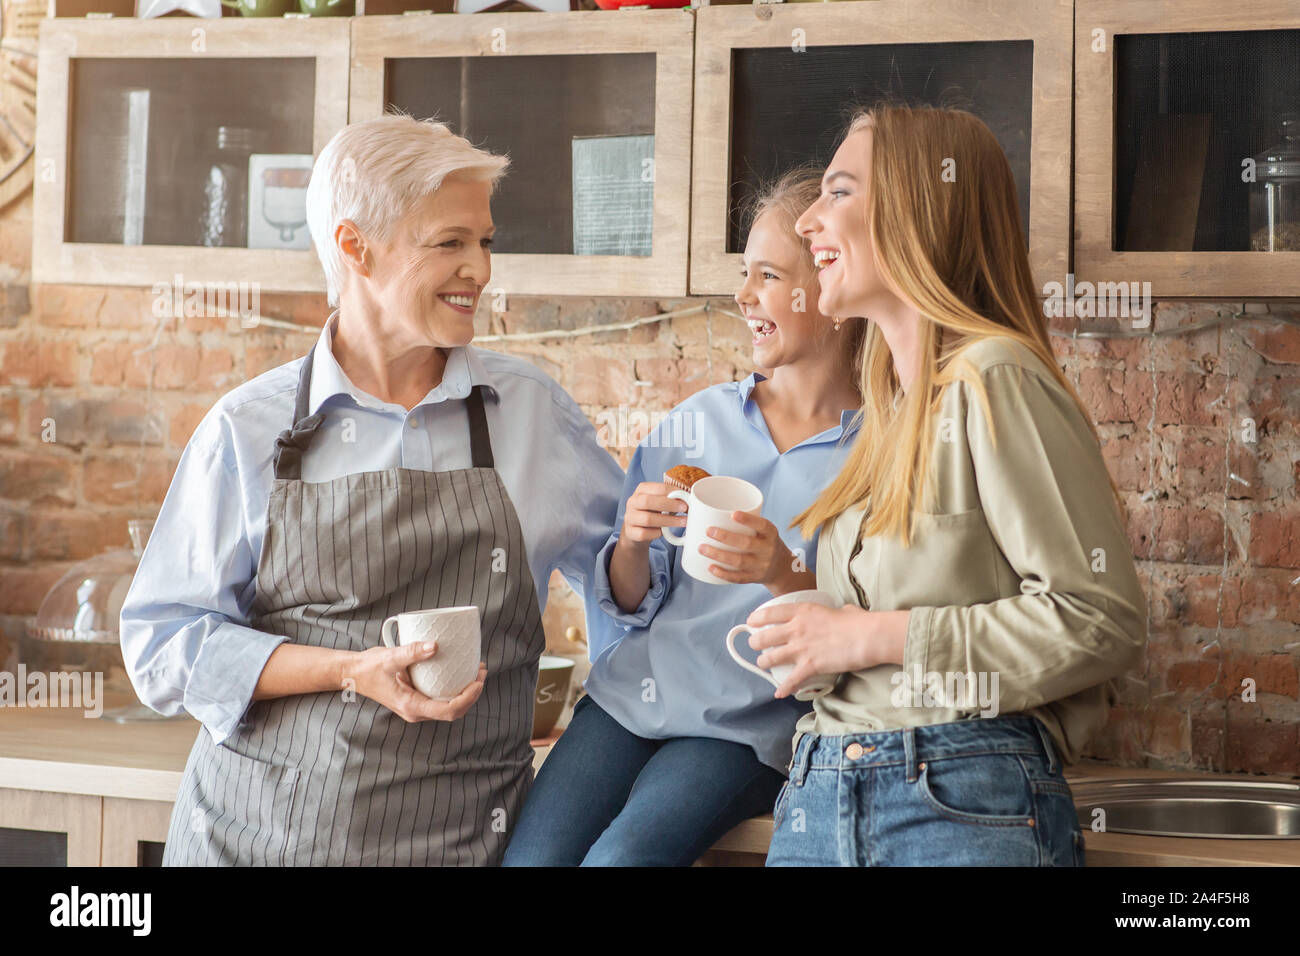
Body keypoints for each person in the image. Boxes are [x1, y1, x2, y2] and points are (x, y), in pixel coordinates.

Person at [119, 113, 623, 866]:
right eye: (449, 243)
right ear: (356, 247)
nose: (480, 270)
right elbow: (162, 644)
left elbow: (634, 590)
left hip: (460, 844)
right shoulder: (249, 431)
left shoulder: (531, 415)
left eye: (484, 242)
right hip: (255, 841)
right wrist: (348, 669)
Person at [750, 103, 1147, 867]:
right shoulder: (889, 413)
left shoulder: (993, 378)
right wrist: (820, 646)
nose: (806, 223)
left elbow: (1100, 617)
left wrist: (867, 635)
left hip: (957, 795)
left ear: (913, 211)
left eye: (837, 193)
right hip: (820, 790)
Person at [503, 167, 866, 866]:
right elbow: (631, 601)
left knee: (622, 861)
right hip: (625, 705)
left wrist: (782, 571)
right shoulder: (695, 425)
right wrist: (633, 543)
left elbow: (866, 624)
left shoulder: (878, 452)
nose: (744, 295)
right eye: (744, 273)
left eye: (767, 275)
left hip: (743, 728)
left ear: (830, 286)